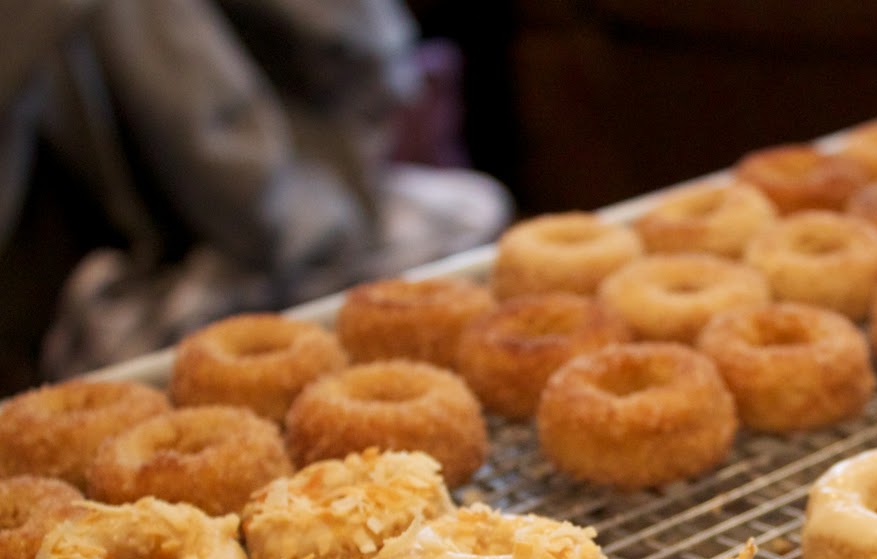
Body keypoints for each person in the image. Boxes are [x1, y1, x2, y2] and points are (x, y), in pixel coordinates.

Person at [0, 0, 511, 394]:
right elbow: (244, 189)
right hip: (128, 274)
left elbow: (369, 55)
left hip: (299, 214)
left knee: (474, 209)